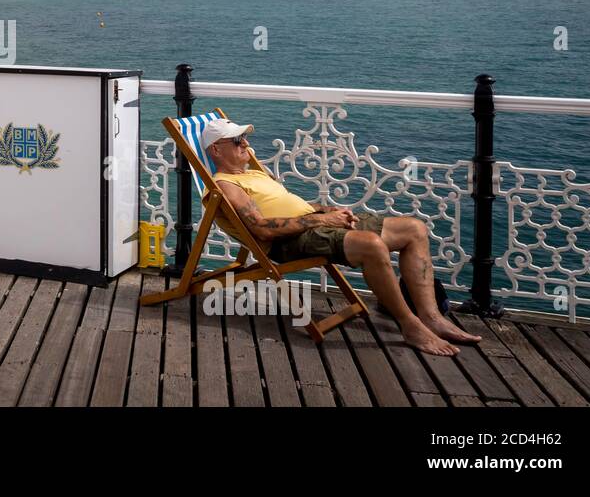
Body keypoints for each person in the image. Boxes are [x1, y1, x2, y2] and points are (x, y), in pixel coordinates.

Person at [201, 117, 480, 356]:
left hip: (315, 223)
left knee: (414, 229)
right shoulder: (227, 185)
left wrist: (323, 209)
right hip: (290, 242)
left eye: (245, 138)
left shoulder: (253, 174)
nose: (246, 144)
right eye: (237, 141)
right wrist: (321, 219)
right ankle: (409, 324)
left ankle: (431, 317)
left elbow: (287, 205)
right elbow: (261, 228)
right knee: (371, 245)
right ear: (216, 149)